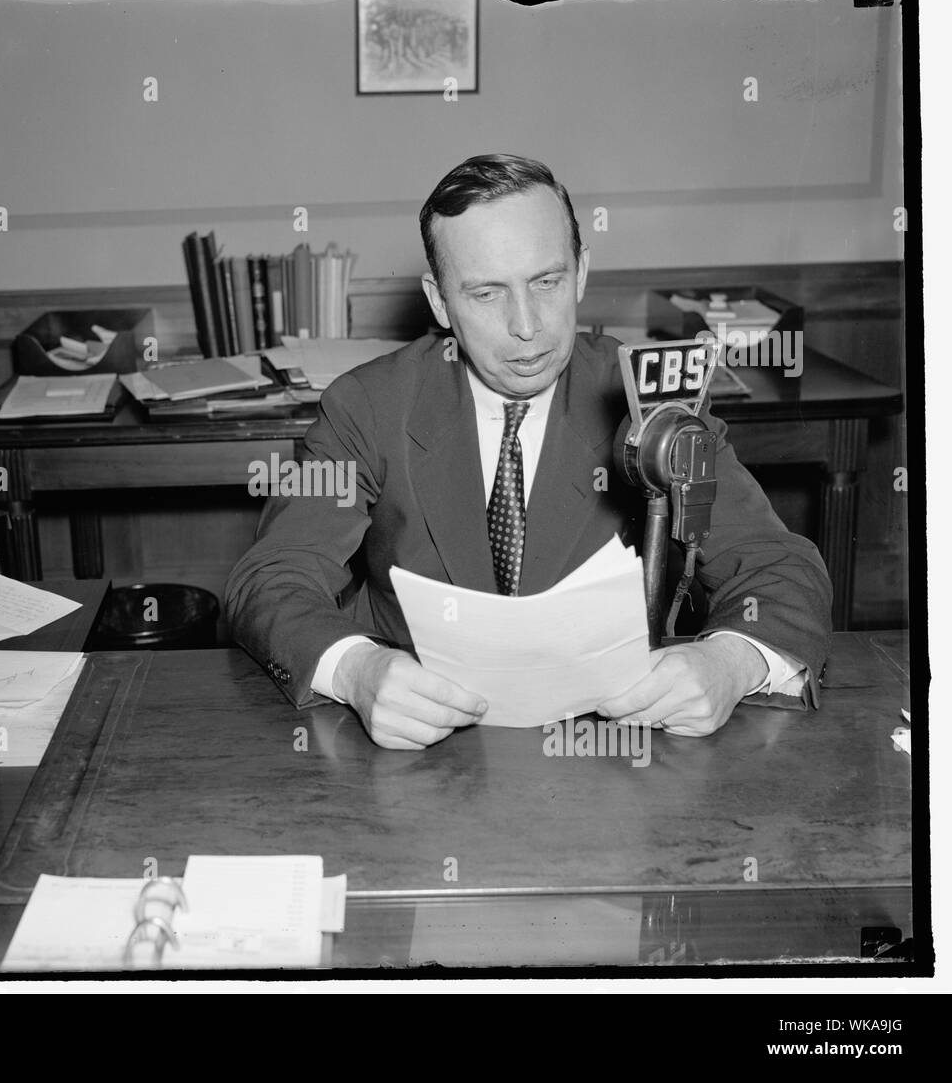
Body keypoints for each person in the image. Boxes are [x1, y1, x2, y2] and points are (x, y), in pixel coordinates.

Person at [226, 154, 832, 750]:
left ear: (582, 271)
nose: (527, 326)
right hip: (417, 741)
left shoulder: (652, 401)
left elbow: (778, 567)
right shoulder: (367, 405)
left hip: (614, 744)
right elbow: (273, 577)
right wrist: (357, 673)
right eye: (487, 294)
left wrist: (729, 662)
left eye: (547, 282)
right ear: (439, 302)